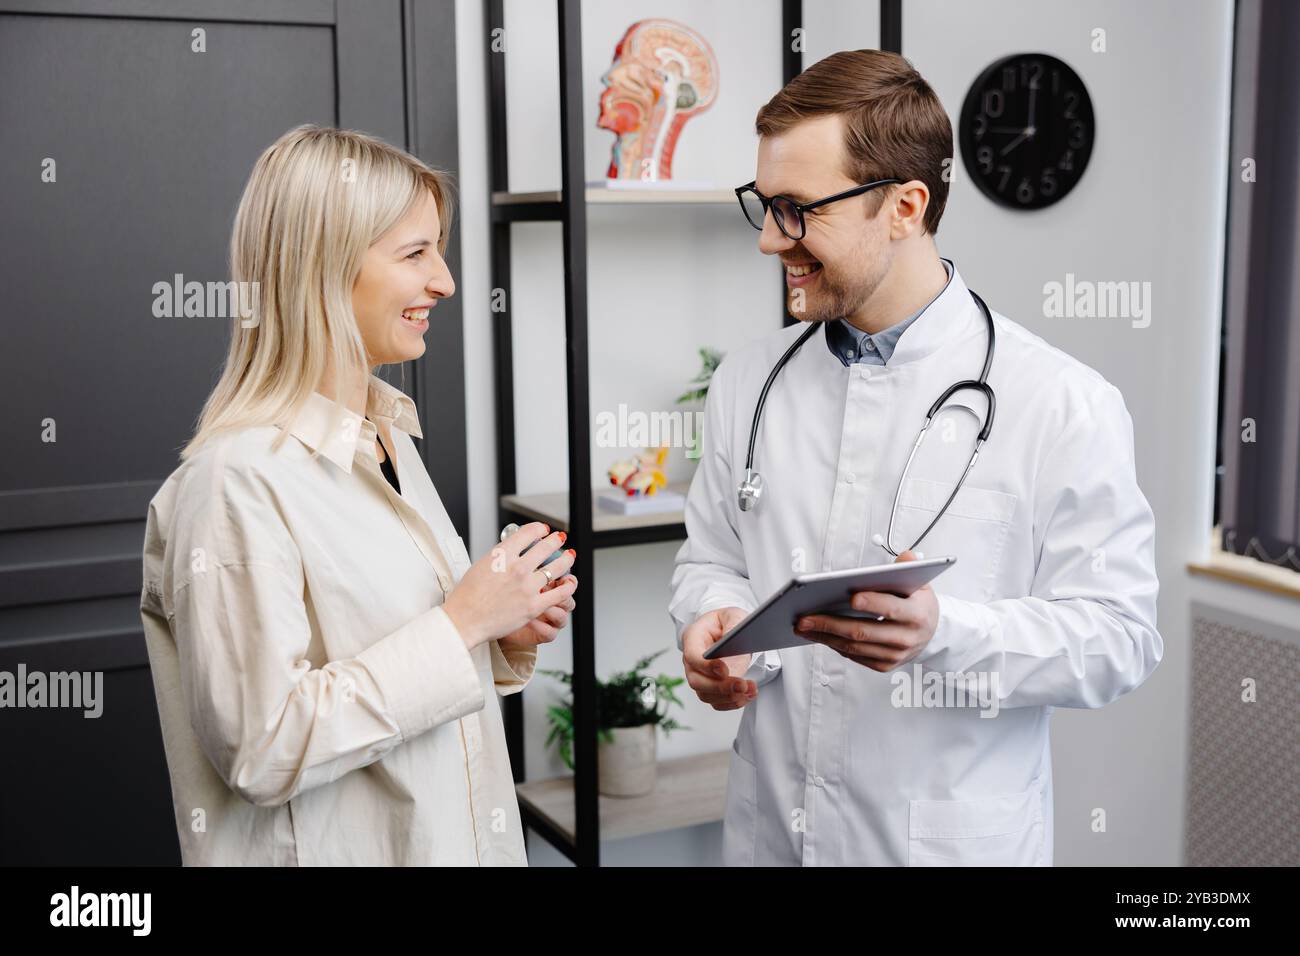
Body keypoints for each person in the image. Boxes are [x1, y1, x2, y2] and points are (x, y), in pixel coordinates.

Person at [668, 51, 1162, 866]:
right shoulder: (749, 382)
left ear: (904, 206)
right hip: (772, 833)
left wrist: (946, 632)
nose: (767, 240)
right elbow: (712, 558)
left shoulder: (1061, 401)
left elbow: (1119, 639)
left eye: (796, 210)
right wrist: (713, 623)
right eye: (762, 204)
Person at [139, 125, 578, 865]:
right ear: (323, 270)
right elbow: (261, 747)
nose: (445, 281)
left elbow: (400, 661)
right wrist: (461, 623)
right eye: (416, 254)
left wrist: (500, 633)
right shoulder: (233, 484)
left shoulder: (386, 437)